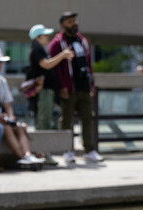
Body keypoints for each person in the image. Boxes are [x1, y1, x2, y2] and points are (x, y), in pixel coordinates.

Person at [49, 12, 104, 163]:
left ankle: (90, 150)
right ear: (62, 25)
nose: (73, 23)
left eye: (74, 21)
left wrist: (91, 83)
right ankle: (67, 150)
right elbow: (55, 68)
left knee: (87, 118)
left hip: (84, 86)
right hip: (68, 88)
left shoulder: (82, 40)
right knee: (66, 120)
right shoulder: (57, 43)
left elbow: (88, 64)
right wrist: (61, 86)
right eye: (69, 21)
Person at [0, 47, 45, 167]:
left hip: (2, 118)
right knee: (6, 128)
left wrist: (10, 116)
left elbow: (8, 104)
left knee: (20, 126)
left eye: (0, 62)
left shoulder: (2, 81)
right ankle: (23, 157)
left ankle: (27, 156)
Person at [28, 24, 74, 132]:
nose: (48, 37)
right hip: (43, 91)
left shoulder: (40, 49)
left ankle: (44, 148)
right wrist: (62, 55)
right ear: (37, 37)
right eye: (45, 35)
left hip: (47, 90)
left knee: (47, 120)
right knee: (44, 122)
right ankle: (42, 148)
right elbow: (46, 64)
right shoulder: (36, 50)